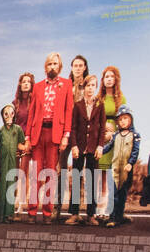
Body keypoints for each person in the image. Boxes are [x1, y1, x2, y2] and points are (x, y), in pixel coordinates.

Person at [26, 52, 73, 222]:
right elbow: (32, 113)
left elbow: (69, 111)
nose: (52, 67)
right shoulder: (37, 87)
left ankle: (47, 213)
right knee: (36, 175)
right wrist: (27, 137)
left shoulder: (67, 85)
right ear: (45, 67)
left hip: (55, 134)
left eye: (55, 64)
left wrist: (65, 136)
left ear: (59, 66)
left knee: (50, 176)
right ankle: (31, 212)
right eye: (49, 64)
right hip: (38, 134)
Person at [67, 74, 104, 225]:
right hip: (79, 148)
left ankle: (91, 215)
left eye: (93, 86)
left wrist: (100, 146)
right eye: (87, 85)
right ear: (84, 88)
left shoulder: (99, 105)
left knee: (92, 181)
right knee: (76, 179)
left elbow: (102, 129)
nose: (90, 88)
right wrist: (74, 146)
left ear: (96, 88)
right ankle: (74, 214)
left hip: (93, 148)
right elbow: (73, 128)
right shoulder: (77, 105)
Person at [99, 104, 140, 227]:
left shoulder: (135, 135)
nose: (123, 122)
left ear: (131, 119)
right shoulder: (116, 135)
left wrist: (130, 163)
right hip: (115, 168)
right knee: (113, 193)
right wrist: (100, 150)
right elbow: (108, 147)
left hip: (126, 169)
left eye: (125, 118)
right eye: (120, 119)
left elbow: (135, 151)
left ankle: (119, 215)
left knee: (122, 193)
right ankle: (112, 217)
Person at [95, 66, 126, 220]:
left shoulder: (121, 98)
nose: (108, 79)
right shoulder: (98, 98)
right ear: (103, 80)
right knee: (99, 174)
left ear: (116, 80)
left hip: (115, 139)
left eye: (111, 77)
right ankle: (98, 209)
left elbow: (124, 119)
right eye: (106, 76)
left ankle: (109, 209)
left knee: (110, 175)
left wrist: (113, 133)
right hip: (100, 137)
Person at [60, 54, 89, 218]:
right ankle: (56, 207)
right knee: (60, 169)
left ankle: (74, 213)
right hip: (65, 132)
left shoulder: (88, 86)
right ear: (71, 68)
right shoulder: (65, 85)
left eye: (81, 65)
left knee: (78, 172)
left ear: (85, 67)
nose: (78, 68)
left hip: (80, 134)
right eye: (75, 65)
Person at [0, 105, 24, 223]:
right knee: (1, 188)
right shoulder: (0, 131)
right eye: (6, 113)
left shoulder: (18, 129)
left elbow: (21, 145)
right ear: (3, 116)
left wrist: (28, 146)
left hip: (13, 162)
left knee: (10, 187)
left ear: (14, 114)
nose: (9, 116)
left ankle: (7, 215)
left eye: (11, 113)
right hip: (2, 162)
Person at [11, 72, 34, 213]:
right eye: (23, 81)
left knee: (23, 173)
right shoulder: (15, 103)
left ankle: (21, 204)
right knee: (14, 172)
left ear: (31, 85)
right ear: (20, 84)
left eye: (28, 81)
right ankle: (12, 201)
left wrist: (28, 141)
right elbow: (11, 124)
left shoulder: (34, 102)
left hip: (28, 141)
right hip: (16, 141)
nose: (26, 83)